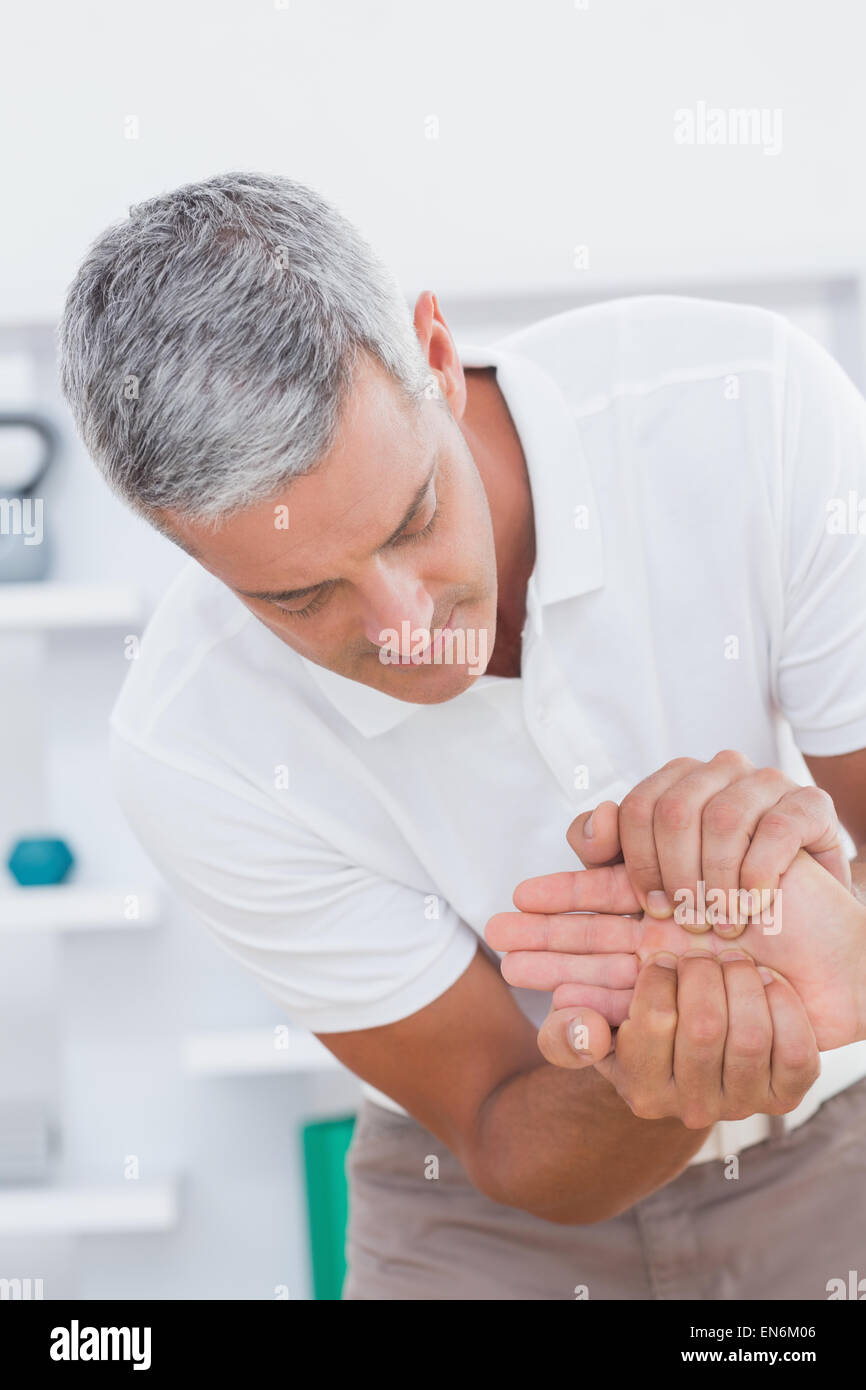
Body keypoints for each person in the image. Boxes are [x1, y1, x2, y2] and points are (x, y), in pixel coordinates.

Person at [57, 171, 866, 1300]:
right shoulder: (190, 745)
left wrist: (836, 960)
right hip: (484, 1210)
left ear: (434, 355)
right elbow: (499, 1126)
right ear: (186, 550)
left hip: (833, 1153)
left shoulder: (750, 407)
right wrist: (661, 1052)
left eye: (413, 517)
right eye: (302, 597)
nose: (406, 628)